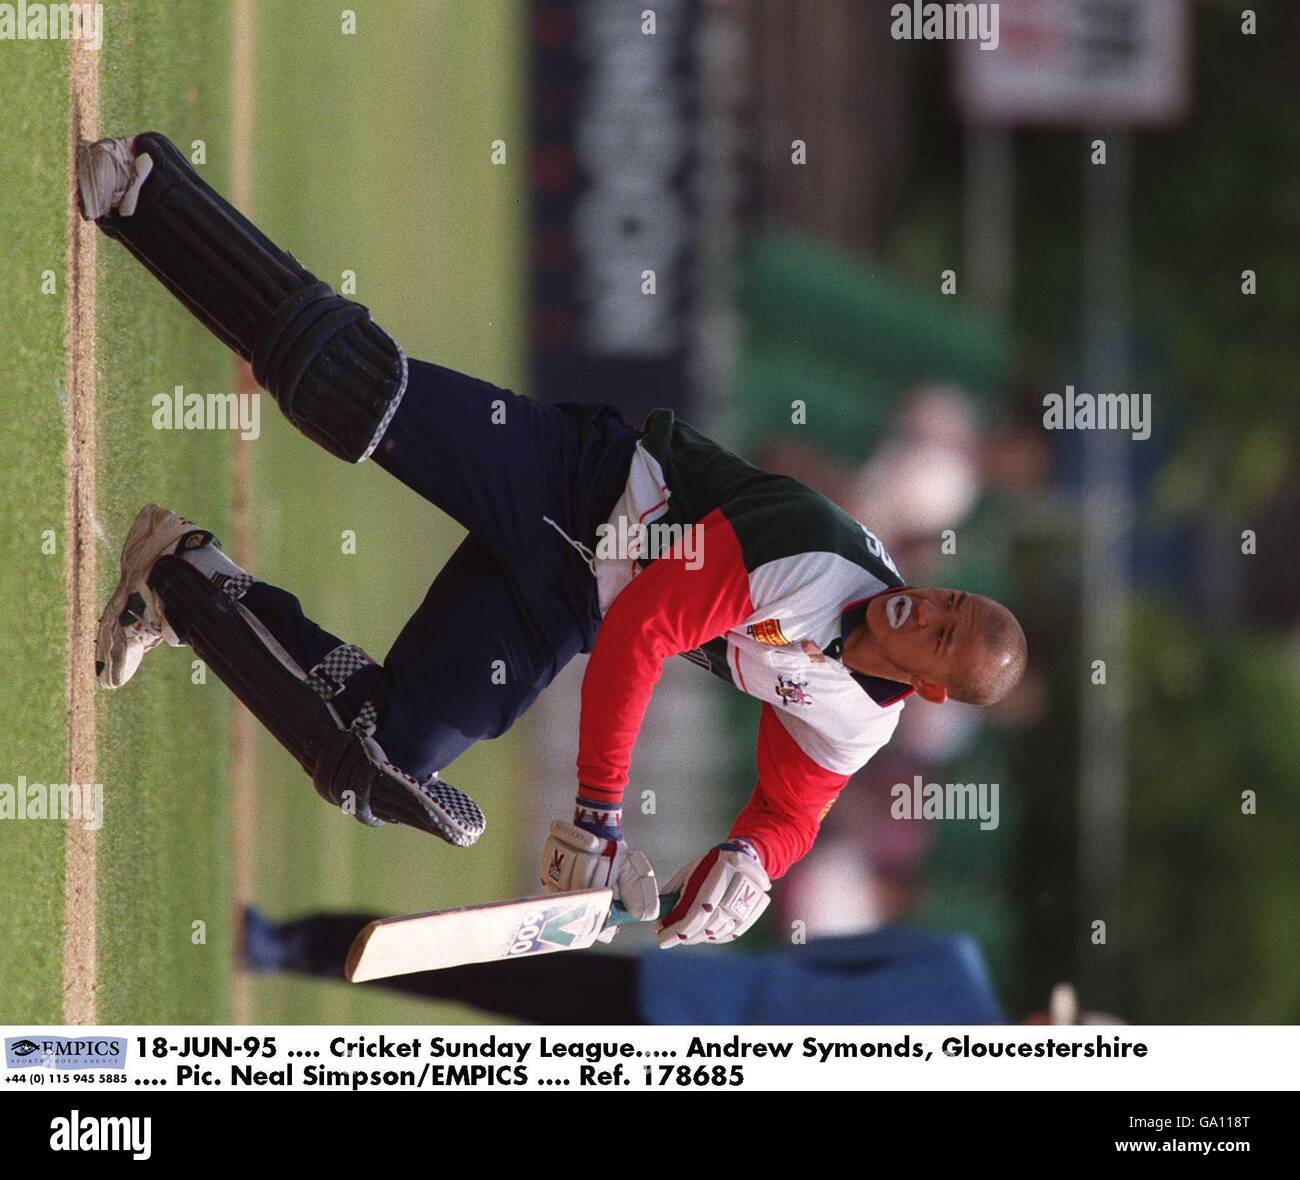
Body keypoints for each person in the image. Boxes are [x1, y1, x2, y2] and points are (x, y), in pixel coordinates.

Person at [78, 133, 1027, 950]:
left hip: (568, 599)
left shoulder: (863, 720)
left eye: (941, 634)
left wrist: (749, 865)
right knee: (347, 389)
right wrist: (599, 813)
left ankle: (177, 578)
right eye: (951, 602)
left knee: (375, 765)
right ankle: (142, 186)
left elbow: (790, 808)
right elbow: (647, 634)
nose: (930, 609)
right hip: (575, 483)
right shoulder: (818, 557)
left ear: (929, 686)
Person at [240, 908, 1008, 1024]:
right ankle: (297, 943)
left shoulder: (955, 963)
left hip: (688, 999)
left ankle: (292, 945)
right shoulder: (953, 965)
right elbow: (810, 955)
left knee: (482, 973)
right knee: (482, 963)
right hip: (677, 998)